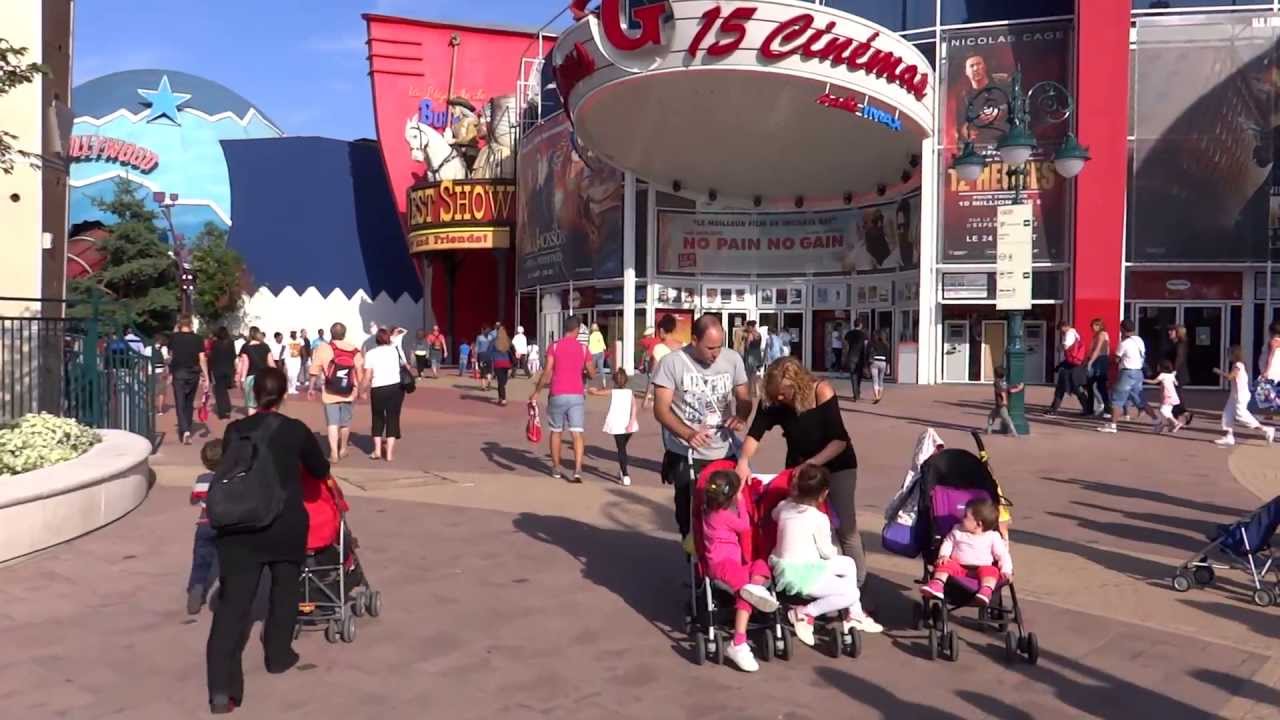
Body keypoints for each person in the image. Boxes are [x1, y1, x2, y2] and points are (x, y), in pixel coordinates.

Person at [206, 367, 329, 714]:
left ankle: (222, 689)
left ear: (253, 393)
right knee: (285, 588)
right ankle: (278, 654)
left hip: (239, 526)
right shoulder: (295, 431)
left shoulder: (235, 431)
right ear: (284, 393)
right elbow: (320, 469)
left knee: (232, 607)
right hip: (284, 522)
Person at [737, 356, 866, 585]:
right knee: (801, 525)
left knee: (846, 528)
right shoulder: (772, 401)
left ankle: (858, 589)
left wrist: (811, 463)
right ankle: (814, 585)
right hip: (799, 468)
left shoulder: (821, 391)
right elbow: (755, 433)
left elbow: (839, 440)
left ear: (797, 384)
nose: (778, 398)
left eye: (783, 394)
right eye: (774, 393)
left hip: (837, 465)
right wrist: (743, 460)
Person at [653, 313, 751, 550]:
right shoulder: (672, 363)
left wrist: (742, 415)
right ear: (694, 340)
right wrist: (688, 434)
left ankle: (722, 561)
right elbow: (661, 409)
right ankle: (694, 561)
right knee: (688, 512)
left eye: (719, 346)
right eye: (710, 348)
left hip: (724, 449)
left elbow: (744, 397)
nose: (716, 354)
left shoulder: (732, 359)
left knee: (728, 509)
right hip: (686, 452)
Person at [770, 465, 882, 648]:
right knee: (851, 593)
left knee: (848, 564)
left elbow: (774, 515)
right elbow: (826, 552)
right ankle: (805, 612)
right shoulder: (819, 518)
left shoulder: (784, 507)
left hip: (784, 566)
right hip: (804, 574)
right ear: (824, 494)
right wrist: (833, 552)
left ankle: (855, 615)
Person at [700, 469, 779, 673]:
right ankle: (738, 642)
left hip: (735, 562)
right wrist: (742, 502)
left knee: (760, 565)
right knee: (745, 592)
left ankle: (756, 588)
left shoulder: (707, 510)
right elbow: (744, 526)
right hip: (722, 564)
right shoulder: (723, 515)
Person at [531, 316, 597, 483]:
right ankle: (577, 471)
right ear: (577, 330)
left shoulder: (554, 346)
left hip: (557, 393)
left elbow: (547, 372)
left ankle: (556, 468)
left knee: (556, 431)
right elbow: (592, 372)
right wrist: (585, 372)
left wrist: (537, 391)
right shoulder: (583, 349)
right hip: (576, 394)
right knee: (577, 432)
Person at [920, 497, 1013, 607]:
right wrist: (944, 555)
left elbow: (1002, 555)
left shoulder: (992, 536)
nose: (961, 518)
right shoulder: (957, 530)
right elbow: (948, 543)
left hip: (980, 569)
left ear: (978, 524)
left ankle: (986, 591)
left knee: (992, 571)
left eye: (965, 516)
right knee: (944, 564)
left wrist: (1006, 570)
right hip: (958, 567)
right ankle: (937, 584)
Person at [308, 322, 365, 461]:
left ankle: (333, 452)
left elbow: (314, 369)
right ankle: (343, 448)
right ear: (344, 334)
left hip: (330, 391)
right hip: (349, 391)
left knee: (332, 423)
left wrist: (311, 387)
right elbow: (360, 371)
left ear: (331, 333)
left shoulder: (323, 348)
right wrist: (361, 389)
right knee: (345, 422)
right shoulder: (354, 349)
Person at [1098, 320, 1160, 433]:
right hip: (1138, 373)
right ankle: (1156, 420)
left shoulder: (1124, 343)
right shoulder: (1139, 340)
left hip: (1127, 373)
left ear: (1122, 329)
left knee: (1116, 399)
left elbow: (1116, 359)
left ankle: (1112, 425)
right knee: (1140, 399)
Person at [1214, 346, 1276, 447]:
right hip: (1234, 395)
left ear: (1234, 354)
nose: (1227, 356)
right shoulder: (1238, 364)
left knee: (1241, 416)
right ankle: (1229, 436)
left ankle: (1266, 429)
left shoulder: (1238, 365)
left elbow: (1230, 377)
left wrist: (1218, 372)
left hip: (1240, 395)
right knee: (1227, 414)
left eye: (1229, 354)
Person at [363, 328, 409, 461]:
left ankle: (377, 450)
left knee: (377, 418)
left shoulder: (371, 354)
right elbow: (403, 363)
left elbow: (367, 375)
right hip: (396, 388)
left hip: (378, 388)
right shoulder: (394, 350)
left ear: (376, 340)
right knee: (393, 418)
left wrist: (362, 390)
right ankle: (389, 453)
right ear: (388, 339)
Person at [187, 440, 221, 615]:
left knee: (200, 561)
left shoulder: (202, 480)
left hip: (204, 524)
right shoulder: (229, 479)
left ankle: (196, 588)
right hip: (225, 526)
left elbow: (193, 500)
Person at [588, 368, 638, 486]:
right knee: (622, 447)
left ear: (614, 381)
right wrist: (632, 420)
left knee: (621, 449)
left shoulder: (613, 392)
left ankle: (625, 474)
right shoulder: (629, 392)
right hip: (629, 425)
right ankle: (623, 471)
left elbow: (597, 393)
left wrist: (592, 390)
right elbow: (635, 406)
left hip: (617, 424)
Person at [169, 316, 210, 446]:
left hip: (179, 372)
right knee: (189, 401)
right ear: (191, 325)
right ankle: (187, 426)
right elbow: (202, 358)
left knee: (180, 402)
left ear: (179, 324)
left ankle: (185, 430)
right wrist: (206, 376)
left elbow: (171, 356)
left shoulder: (174, 338)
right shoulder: (197, 339)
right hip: (193, 372)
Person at [1049, 321, 1090, 416]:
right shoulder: (1075, 333)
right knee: (1076, 387)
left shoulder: (1069, 333)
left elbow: (1065, 345)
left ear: (1064, 327)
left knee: (1062, 388)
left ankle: (1053, 410)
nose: (1061, 332)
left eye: (1061, 330)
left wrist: (1059, 347)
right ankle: (1087, 408)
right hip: (1076, 363)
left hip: (1071, 365)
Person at [643, 313, 682, 409]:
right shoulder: (684, 346)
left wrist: (646, 398)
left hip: (665, 393)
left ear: (661, 330)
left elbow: (653, 375)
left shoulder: (659, 348)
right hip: (682, 394)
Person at [236, 328, 275, 416]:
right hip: (265, 378)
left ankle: (253, 425)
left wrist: (241, 378)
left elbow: (243, 364)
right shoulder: (265, 346)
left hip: (251, 378)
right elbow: (271, 363)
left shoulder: (245, 347)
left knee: (251, 406)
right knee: (265, 404)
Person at [1146, 359, 1184, 433]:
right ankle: (1170, 425)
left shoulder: (1162, 375)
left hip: (1167, 396)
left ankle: (1175, 423)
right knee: (1167, 411)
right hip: (1172, 396)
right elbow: (1176, 383)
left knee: (1163, 410)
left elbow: (1154, 381)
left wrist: (1143, 380)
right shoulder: (1171, 375)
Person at [208, 327, 237, 421]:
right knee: (224, 389)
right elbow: (233, 356)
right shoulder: (231, 343)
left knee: (219, 390)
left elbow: (212, 357)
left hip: (218, 369)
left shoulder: (215, 344)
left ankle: (222, 412)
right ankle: (227, 407)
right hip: (229, 369)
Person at [986, 366, 1024, 436]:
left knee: (1006, 418)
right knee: (991, 416)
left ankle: (1014, 432)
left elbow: (1002, 392)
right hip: (998, 405)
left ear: (996, 374)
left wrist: (1004, 400)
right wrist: (1019, 388)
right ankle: (988, 430)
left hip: (1001, 404)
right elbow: (1011, 390)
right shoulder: (1004, 383)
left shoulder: (996, 382)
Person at [1085, 319, 1112, 417]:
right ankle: (1091, 409)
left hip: (1099, 361)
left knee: (1099, 385)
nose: (1093, 327)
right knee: (1092, 385)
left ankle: (1106, 409)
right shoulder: (1097, 335)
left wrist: (1090, 362)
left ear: (1100, 325)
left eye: (1095, 325)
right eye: (1092, 325)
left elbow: (1098, 349)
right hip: (1099, 360)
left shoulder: (1102, 334)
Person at [144, 333, 170, 415]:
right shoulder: (164, 348)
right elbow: (166, 360)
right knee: (161, 392)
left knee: (150, 391)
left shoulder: (148, 349)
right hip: (161, 372)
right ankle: (160, 410)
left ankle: (150, 409)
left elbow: (144, 360)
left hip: (150, 371)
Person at [843, 320, 867, 401]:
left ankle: (855, 394)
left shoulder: (849, 334)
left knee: (853, 376)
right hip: (860, 357)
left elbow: (845, 346)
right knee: (859, 376)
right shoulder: (863, 334)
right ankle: (857, 392)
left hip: (851, 357)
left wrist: (845, 357)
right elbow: (866, 346)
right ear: (860, 325)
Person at [867, 329, 890, 404]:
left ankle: (876, 396)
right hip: (883, 362)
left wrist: (866, 364)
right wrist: (888, 366)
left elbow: (867, 353)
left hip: (874, 362)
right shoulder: (885, 344)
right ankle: (880, 396)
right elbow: (888, 356)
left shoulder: (871, 343)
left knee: (875, 380)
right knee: (881, 380)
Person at [493, 324, 514, 405]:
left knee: (500, 382)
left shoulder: (494, 341)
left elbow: (490, 351)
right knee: (503, 382)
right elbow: (513, 349)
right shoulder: (508, 340)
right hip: (506, 363)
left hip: (498, 363)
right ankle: (501, 398)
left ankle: (503, 399)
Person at [742, 320, 764, 395]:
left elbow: (747, 346)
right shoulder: (759, 334)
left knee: (749, 374)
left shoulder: (750, 335)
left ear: (751, 327)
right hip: (757, 355)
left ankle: (750, 391)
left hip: (751, 355)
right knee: (754, 374)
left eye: (748, 327)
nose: (748, 329)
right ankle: (756, 391)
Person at [588, 323, 608, 387]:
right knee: (601, 368)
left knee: (592, 368)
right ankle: (604, 382)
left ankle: (591, 384)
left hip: (594, 353)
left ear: (592, 328)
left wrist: (589, 353)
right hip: (601, 353)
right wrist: (604, 349)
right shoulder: (600, 334)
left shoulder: (591, 336)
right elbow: (602, 343)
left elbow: (590, 346)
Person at [475, 324, 494, 391]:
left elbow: (476, 348)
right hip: (489, 355)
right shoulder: (491, 338)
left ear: (482, 330)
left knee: (483, 371)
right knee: (489, 370)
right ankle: (489, 381)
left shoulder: (479, 337)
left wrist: (475, 356)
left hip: (482, 355)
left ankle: (483, 386)